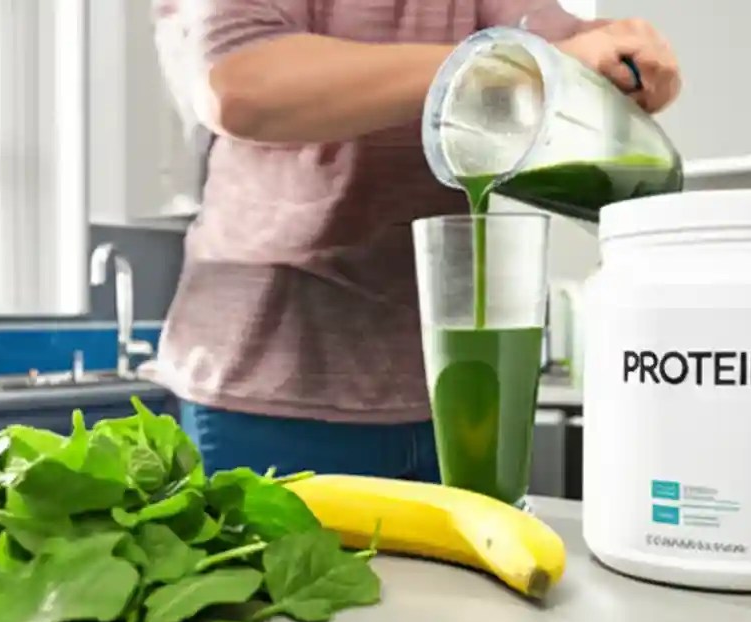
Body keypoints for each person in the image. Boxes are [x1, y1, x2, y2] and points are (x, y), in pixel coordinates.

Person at [149, 1, 680, 479]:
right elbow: (243, 86)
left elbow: (547, 31)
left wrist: (618, 55)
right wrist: (521, 59)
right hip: (267, 382)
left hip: (447, 393)